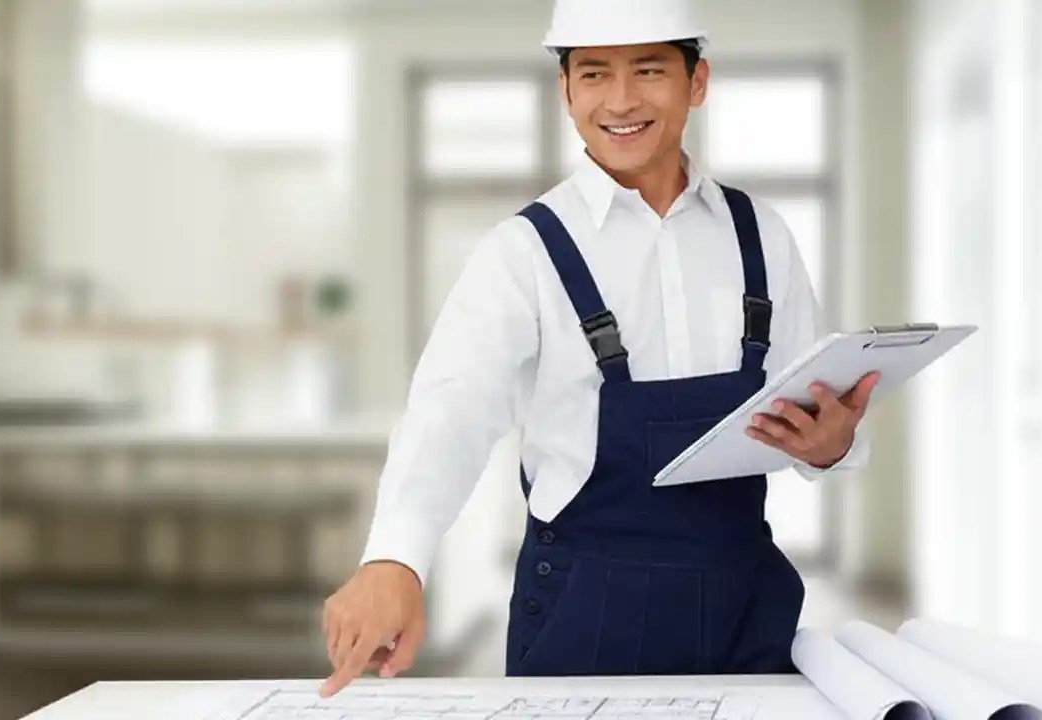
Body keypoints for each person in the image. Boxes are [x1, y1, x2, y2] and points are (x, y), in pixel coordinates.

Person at [319, 0, 876, 696]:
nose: (620, 100)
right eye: (593, 74)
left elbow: (811, 399)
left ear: (696, 81)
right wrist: (394, 560)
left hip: (744, 602)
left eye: (648, 70)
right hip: (588, 610)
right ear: (567, 91)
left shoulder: (760, 235)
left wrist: (830, 446)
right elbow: (449, 413)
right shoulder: (523, 253)